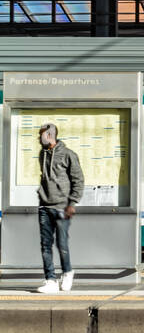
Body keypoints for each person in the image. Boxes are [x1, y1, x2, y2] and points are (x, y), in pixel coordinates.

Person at [33, 123, 83, 293]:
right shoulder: (42, 154)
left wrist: (72, 203)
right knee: (45, 245)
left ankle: (68, 272)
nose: (38, 139)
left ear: (49, 135)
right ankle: (50, 280)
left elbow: (78, 180)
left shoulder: (68, 155)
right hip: (44, 207)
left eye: (40, 135)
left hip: (62, 207)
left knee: (61, 244)